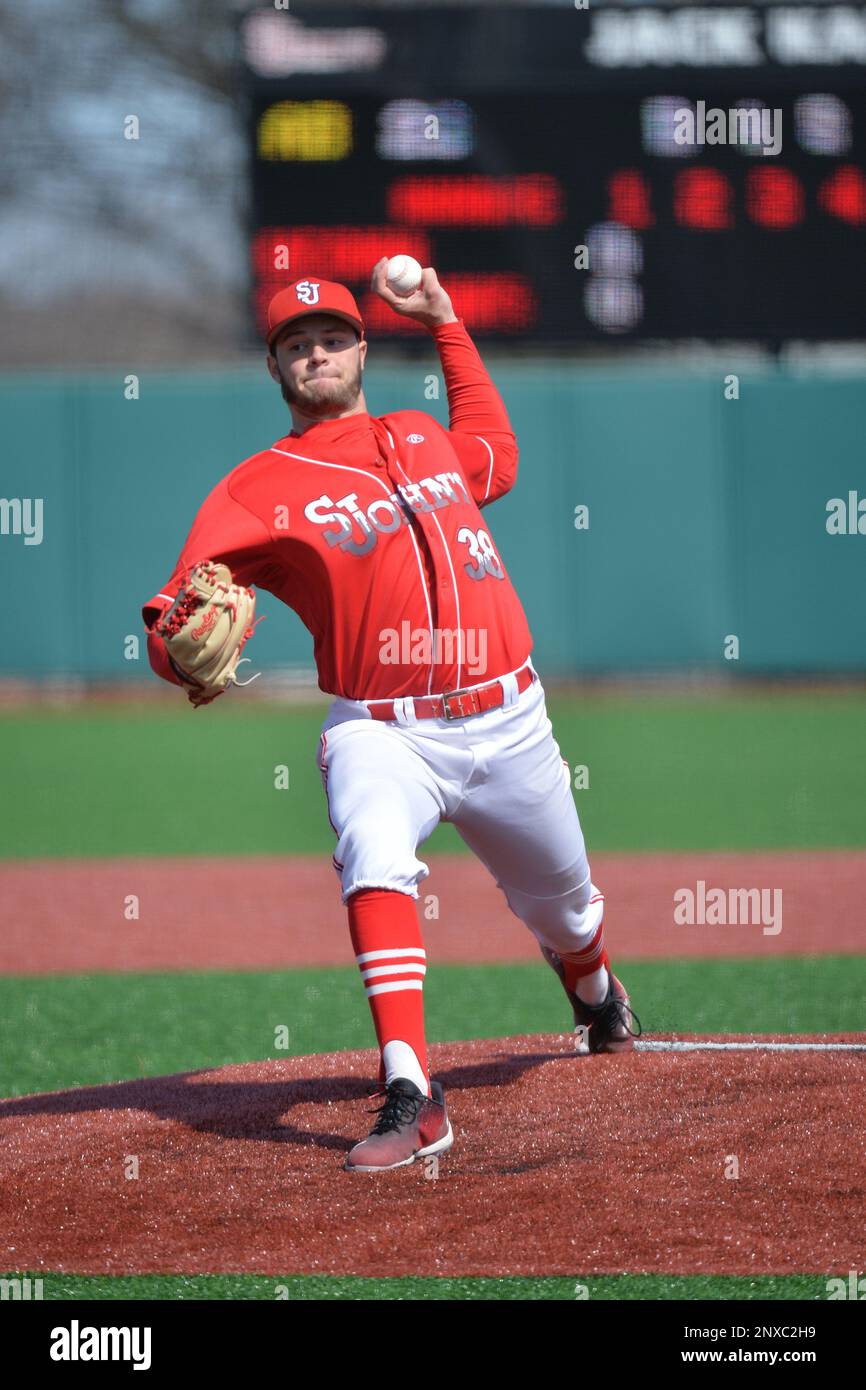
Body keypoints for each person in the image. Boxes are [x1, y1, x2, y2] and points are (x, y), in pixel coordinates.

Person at [141, 259, 640, 1173]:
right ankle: (411, 1090)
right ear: (276, 368)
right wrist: (170, 643)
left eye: (332, 338)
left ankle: (595, 990)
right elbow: (174, 615)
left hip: (508, 719)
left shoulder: (418, 435)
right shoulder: (255, 488)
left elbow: (497, 451)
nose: (317, 354)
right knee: (373, 852)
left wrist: (449, 320)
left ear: (362, 348)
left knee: (566, 908)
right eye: (297, 345)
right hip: (383, 726)